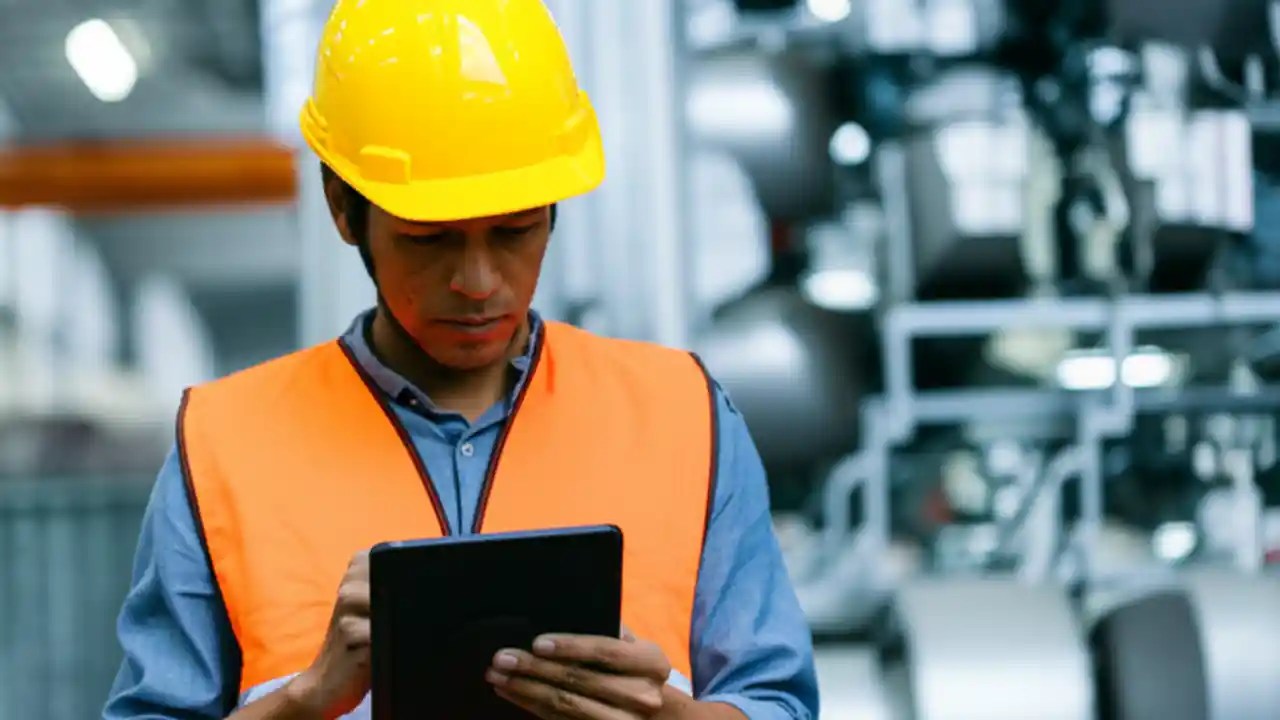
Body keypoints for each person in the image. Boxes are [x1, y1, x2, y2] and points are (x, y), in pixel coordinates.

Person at [103, 1, 819, 718]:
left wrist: (662, 714)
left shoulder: (681, 415)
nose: (478, 283)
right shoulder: (226, 445)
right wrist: (306, 699)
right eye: (430, 238)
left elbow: (777, 703)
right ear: (344, 209)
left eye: (514, 232)